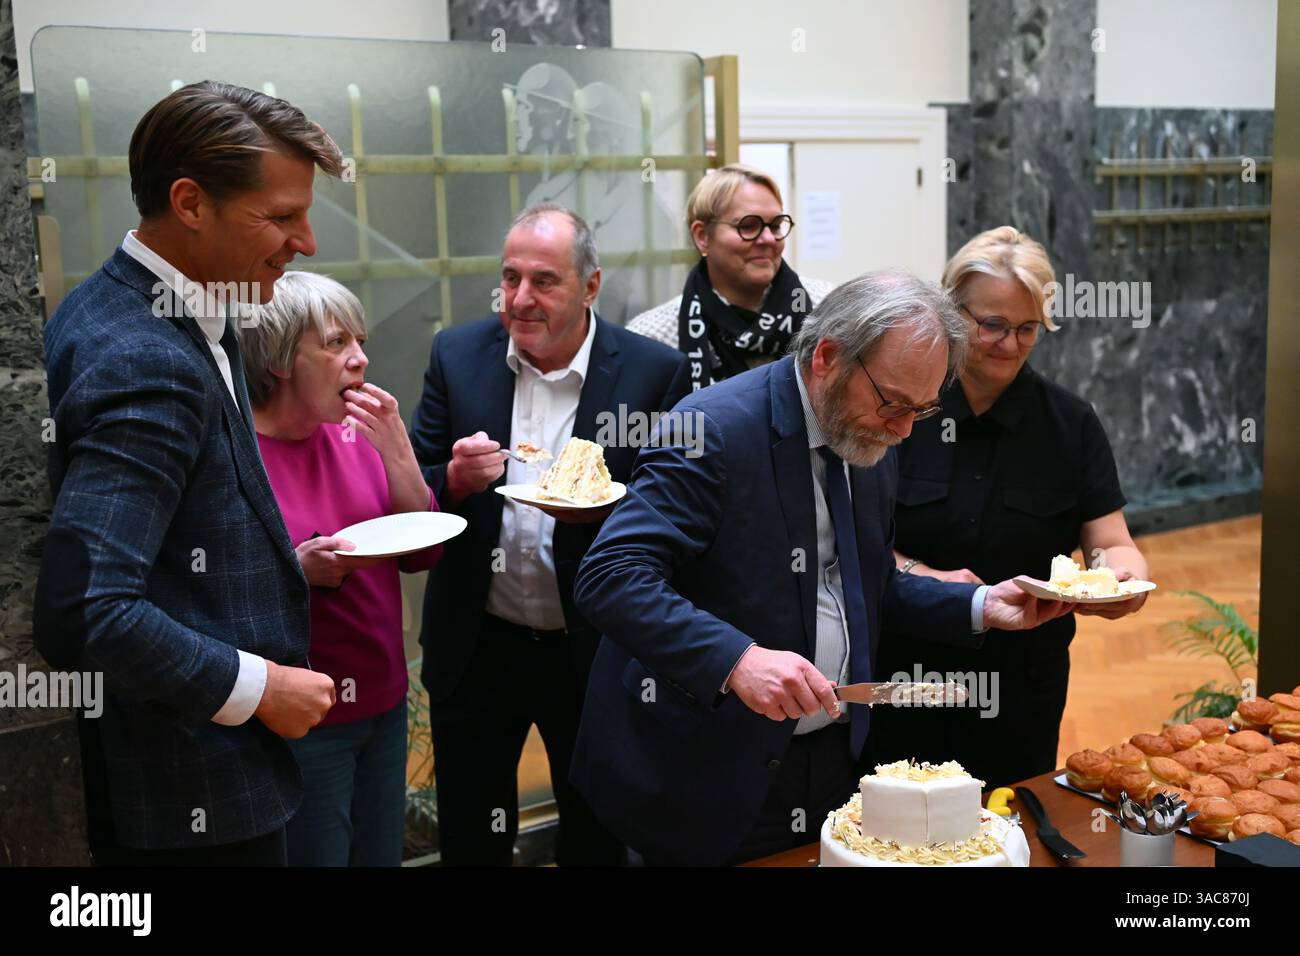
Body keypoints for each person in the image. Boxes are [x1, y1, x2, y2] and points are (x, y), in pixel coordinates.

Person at [569, 270, 1077, 866]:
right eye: (893, 403)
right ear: (827, 358)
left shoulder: (872, 436)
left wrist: (976, 605)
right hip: (701, 770)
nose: (904, 429)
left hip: (827, 759)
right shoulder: (710, 430)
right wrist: (737, 660)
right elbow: (610, 574)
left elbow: (863, 588)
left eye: (922, 408)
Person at [35, 81, 342, 865]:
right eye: (279, 217)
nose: (305, 243)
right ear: (190, 202)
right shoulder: (147, 358)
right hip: (188, 794)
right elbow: (87, 611)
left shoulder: (165, 305)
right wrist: (259, 689)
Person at [409, 203, 691, 865]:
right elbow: (419, 483)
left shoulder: (653, 371)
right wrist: (452, 476)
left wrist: (604, 516)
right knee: (472, 838)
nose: (521, 299)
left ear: (590, 287)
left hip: (591, 646)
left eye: (544, 281)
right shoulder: (458, 354)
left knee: (595, 835)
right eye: (509, 278)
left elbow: (677, 507)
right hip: (480, 641)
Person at [873, 226, 1149, 788]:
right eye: (992, 325)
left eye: (1028, 329)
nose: (1010, 344)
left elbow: (1112, 541)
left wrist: (1122, 580)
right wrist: (919, 575)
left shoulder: (1070, 423)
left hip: (1022, 681)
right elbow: (856, 541)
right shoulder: (900, 411)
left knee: (1008, 819)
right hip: (902, 667)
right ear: (951, 314)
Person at [240, 271, 444, 866]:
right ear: (279, 359)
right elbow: (207, 591)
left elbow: (422, 552)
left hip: (384, 698)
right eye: (336, 344)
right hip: (304, 714)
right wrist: (295, 571)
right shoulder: (239, 453)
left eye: (359, 340)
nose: (361, 358)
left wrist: (399, 450)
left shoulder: (355, 433)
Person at [626, 163, 833, 390]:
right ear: (702, 236)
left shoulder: (829, 310)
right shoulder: (654, 337)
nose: (768, 239)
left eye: (775, 226)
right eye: (748, 226)